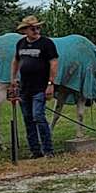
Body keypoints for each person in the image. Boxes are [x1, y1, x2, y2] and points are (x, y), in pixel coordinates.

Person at [11, 15, 58, 158]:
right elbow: (16, 60)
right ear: (25, 30)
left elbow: (54, 63)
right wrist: (13, 78)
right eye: (33, 28)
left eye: (38, 27)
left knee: (38, 116)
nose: (36, 30)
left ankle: (48, 149)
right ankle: (35, 150)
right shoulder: (20, 44)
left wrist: (50, 83)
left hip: (40, 87)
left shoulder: (46, 44)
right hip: (25, 87)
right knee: (27, 118)